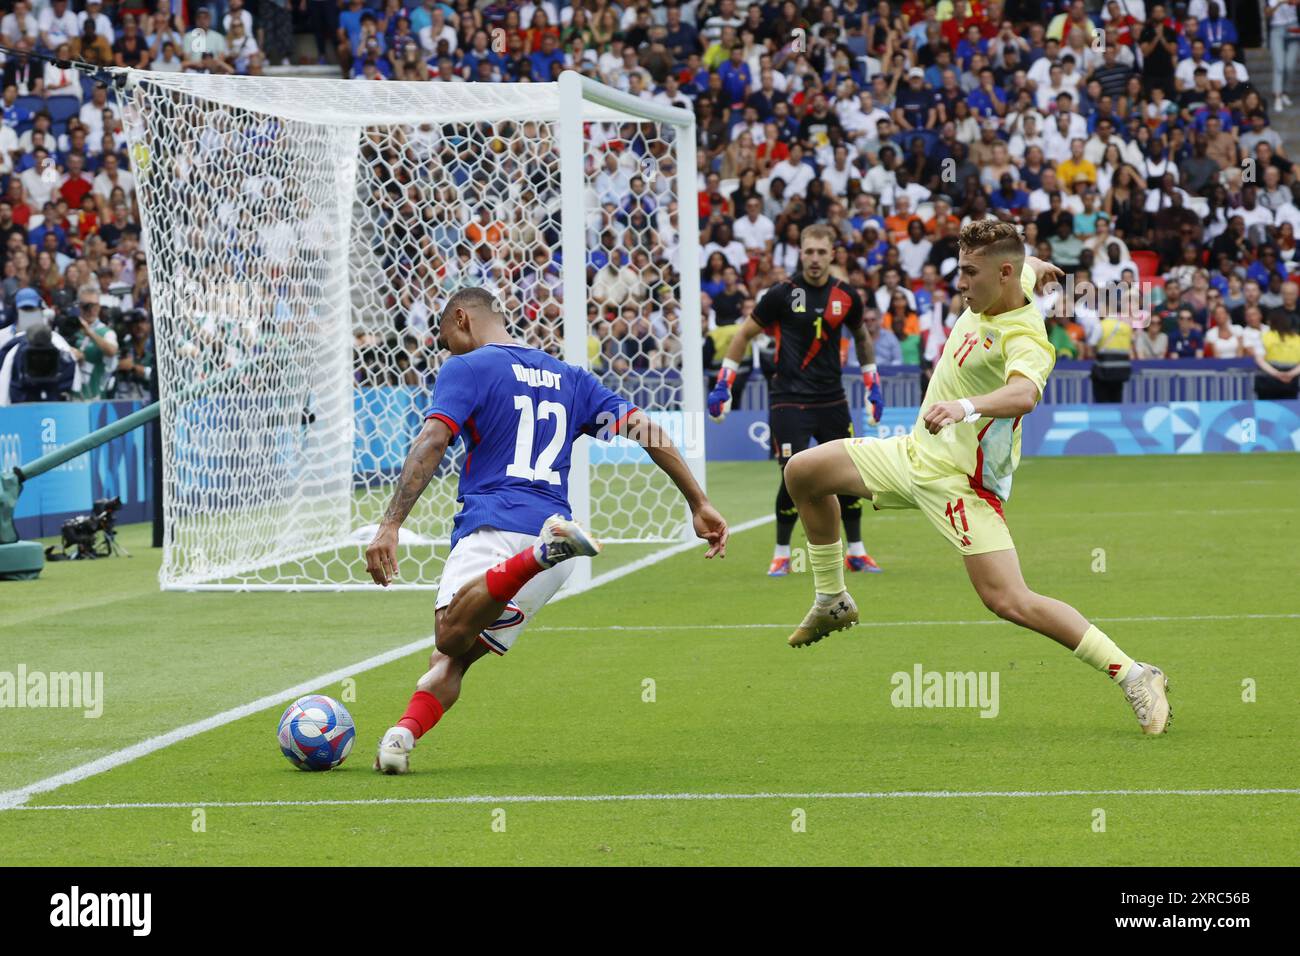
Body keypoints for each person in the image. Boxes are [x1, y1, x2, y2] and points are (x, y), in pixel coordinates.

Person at [775, 221, 1171, 735]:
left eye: (968, 273)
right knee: (802, 472)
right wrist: (1044, 269)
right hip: (912, 454)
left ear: (1000, 274)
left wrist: (964, 406)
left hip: (963, 483)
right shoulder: (1011, 279)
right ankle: (832, 599)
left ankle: (1136, 674)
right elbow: (1031, 267)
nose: (959, 284)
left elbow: (1024, 394)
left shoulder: (1027, 336)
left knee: (1009, 601)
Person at [365, 287, 729, 774]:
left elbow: (434, 439)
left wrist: (389, 525)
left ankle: (540, 554)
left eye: (444, 336)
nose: (444, 348)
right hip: (554, 542)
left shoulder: (468, 368)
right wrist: (698, 501)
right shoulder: (571, 378)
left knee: (450, 634)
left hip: (497, 526)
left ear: (461, 318)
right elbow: (644, 428)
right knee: (456, 657)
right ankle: (401, 738)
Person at [707, 224, 885, 577]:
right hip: (789, 399)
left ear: (833, 254)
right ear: (800, 253)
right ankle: (781, 553)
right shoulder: (781, 293)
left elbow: (862, 338)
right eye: (809, 252)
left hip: (832, 399)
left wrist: (872, 384)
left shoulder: (847, 295)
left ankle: (857, 552)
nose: (815, 259)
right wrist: (724, 383)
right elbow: (744, 334)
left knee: (848, 475)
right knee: (792, 476)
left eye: (822, 252)